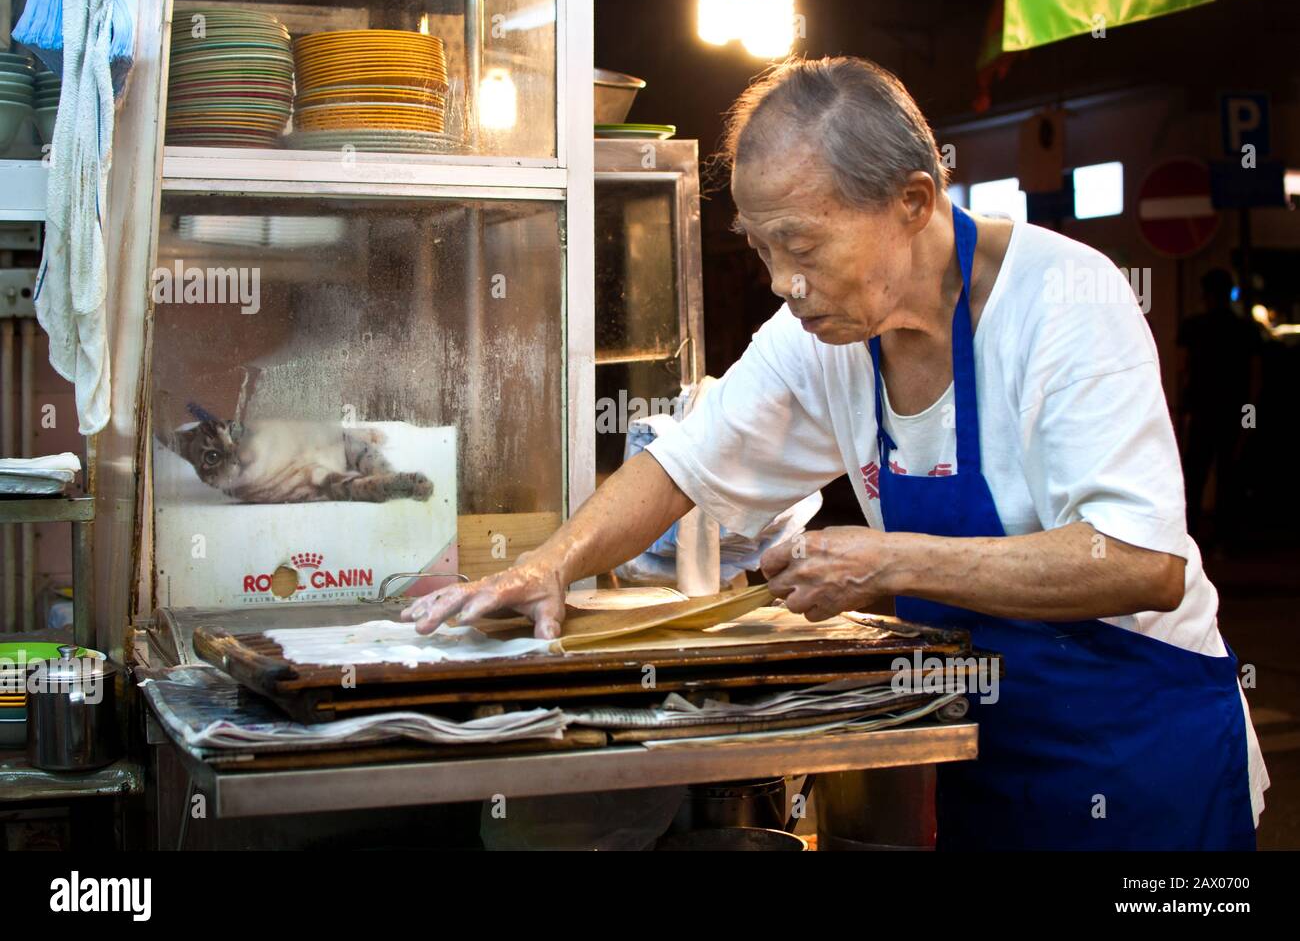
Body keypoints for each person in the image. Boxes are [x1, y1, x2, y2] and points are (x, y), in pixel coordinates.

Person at [405, 56, 1267, 850]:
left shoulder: (1064, 303)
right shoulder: (817, 335)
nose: (783, 280)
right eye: (761, 245)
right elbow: (683, 465)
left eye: (803, 244)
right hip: (993, 755)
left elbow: (1140, 559)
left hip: (1145, 761)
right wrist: (550, 563)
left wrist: (887, 560)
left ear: (914, 202)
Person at [1178, 268, 1263, 551]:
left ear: (1205, 295)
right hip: (1233, 413)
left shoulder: (1194, 327)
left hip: (1202, 412)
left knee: (1193, 476)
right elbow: (1255, 380)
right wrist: (1248, 421)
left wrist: (1180, 411)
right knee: (1229, 476)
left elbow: (1183, 372)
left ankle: (1187, 539)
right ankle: (1224, 540)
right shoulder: (1245, 329)